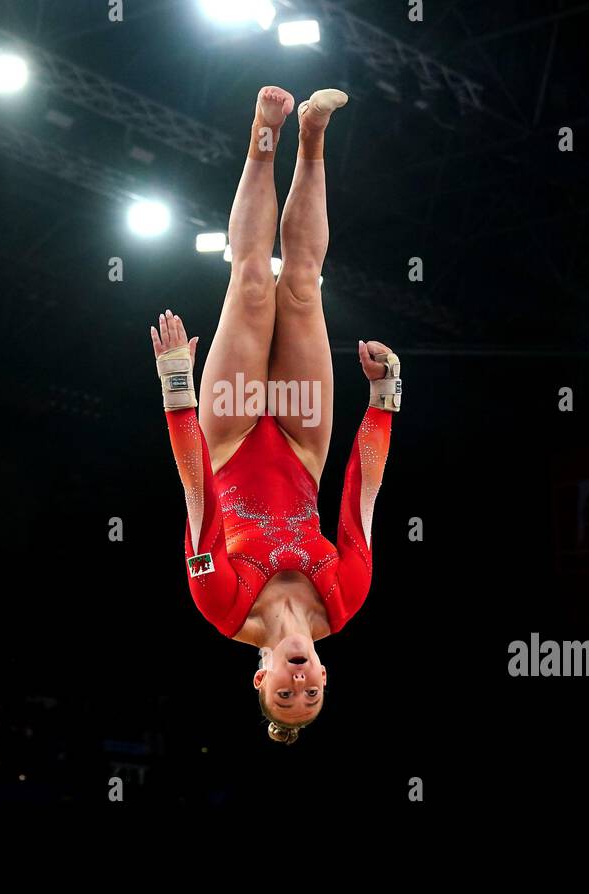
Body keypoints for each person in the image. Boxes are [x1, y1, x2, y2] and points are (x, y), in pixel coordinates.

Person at [148, 87, 401, 744]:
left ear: (259, 679)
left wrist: (177, 386)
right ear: (324, 676)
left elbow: (198, 497)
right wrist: (384, 400)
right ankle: (313, 134)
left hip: (226, 439)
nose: (299, 683)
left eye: (285, 695)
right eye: (310, 694)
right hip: (302, 441)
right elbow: (362, 498)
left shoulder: (221, 606)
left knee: (253, 280)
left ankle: (265, 132)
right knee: (304, 281)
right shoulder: (343, 601)